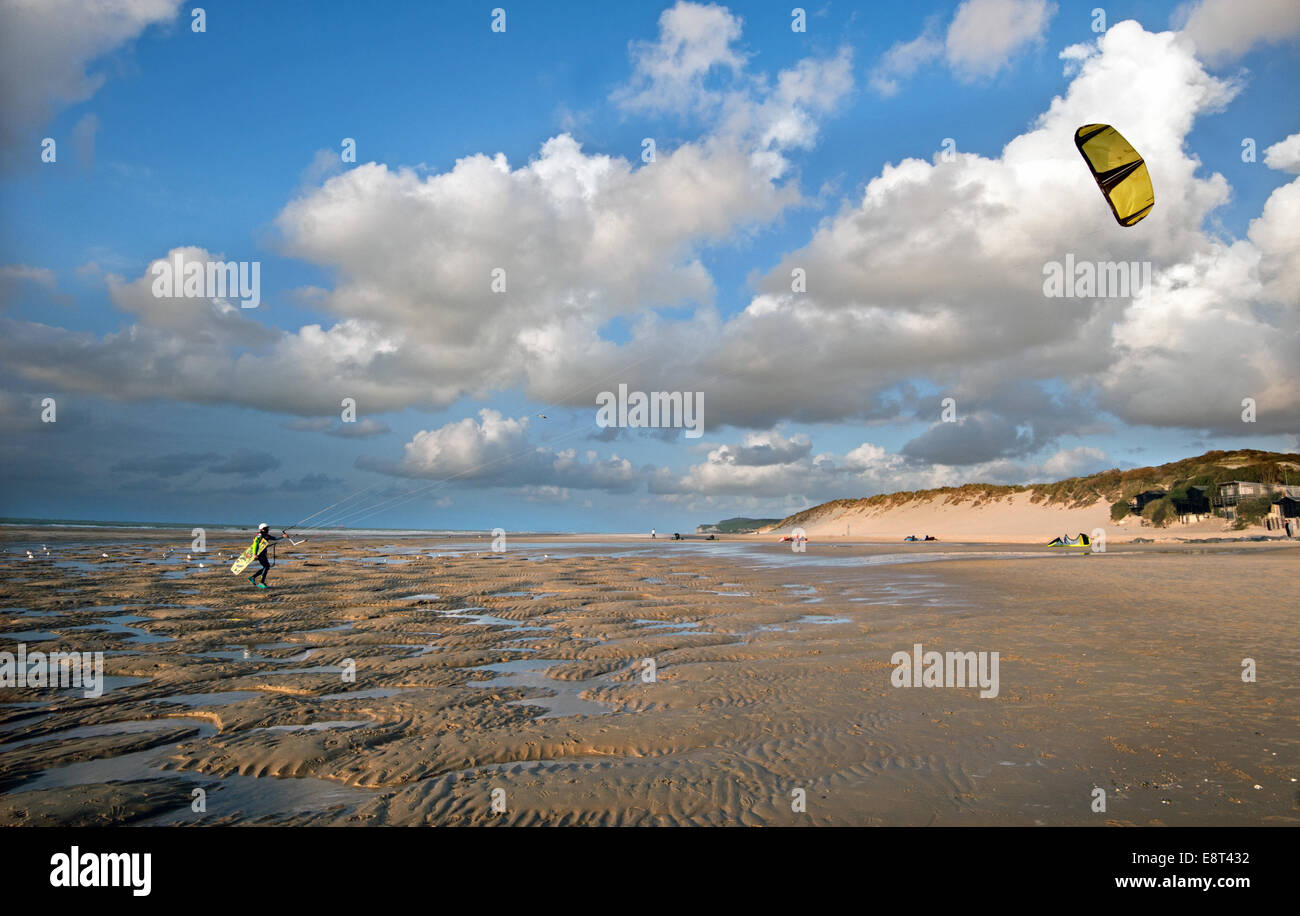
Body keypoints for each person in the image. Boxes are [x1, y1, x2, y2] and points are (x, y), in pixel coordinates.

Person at [248, 523, 279, 589]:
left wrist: (283, 536)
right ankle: (261, 582)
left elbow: (275, 538)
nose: (267, 529)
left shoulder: (266, 535)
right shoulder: (259, 535)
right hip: (259, 554)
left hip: (263, 553)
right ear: (262, 529)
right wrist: (255, 554)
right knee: (266, 566)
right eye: (266, 528)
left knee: (266, 567)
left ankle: (253, 578)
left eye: (267, 528)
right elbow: (255, 544)